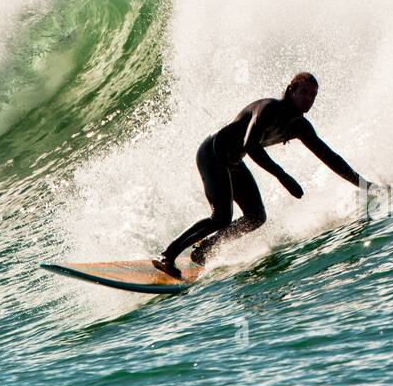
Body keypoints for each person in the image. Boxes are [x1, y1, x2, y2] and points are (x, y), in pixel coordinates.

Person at [154, 72, 376, 278]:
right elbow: (250, 145)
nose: (309, 99)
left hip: (233, 161)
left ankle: (204, 250)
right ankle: (167, 255)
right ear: (291, 90)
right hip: (212, 153)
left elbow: (329, 157)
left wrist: (364, 184)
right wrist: (283, 176)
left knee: (256, 216)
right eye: (305, 92)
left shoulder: (300, 126)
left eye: (313, 95)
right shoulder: (268, 109)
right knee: (221, 217)